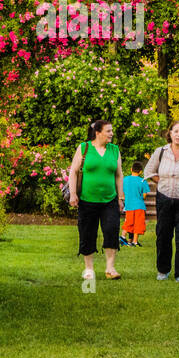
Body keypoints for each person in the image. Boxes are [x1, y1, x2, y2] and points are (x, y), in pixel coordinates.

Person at [141, 120, 179, 283]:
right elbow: (148, 171)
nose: (178, 135)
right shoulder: (161, 152)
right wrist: (161, 182)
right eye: (175, 131)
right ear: (170, 133)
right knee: (163, 235)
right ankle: (163, 270)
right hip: (164, 198)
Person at [68, 120, 125, 281]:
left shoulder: (114, 150)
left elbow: (119, 175)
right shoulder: (84, 148)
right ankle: (89, 269)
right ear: (98, 132)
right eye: (108, 131)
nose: (111, 134)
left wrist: (121, 197)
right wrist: (73, 194)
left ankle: (110, 268)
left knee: (112, 230)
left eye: (112, 130)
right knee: (87, 233)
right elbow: (73, 171)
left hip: (110, 200)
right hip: (87, 200)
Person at [121, 160, 149, 247]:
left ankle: (122, 236)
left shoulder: (125, 180)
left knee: (129, 222)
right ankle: (135, 241)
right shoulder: (142, 181)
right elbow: (144, 196)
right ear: (140, 171)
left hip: (129, 205)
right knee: (138, 223)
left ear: (131, 169)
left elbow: (123, 192)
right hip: (139, 206)